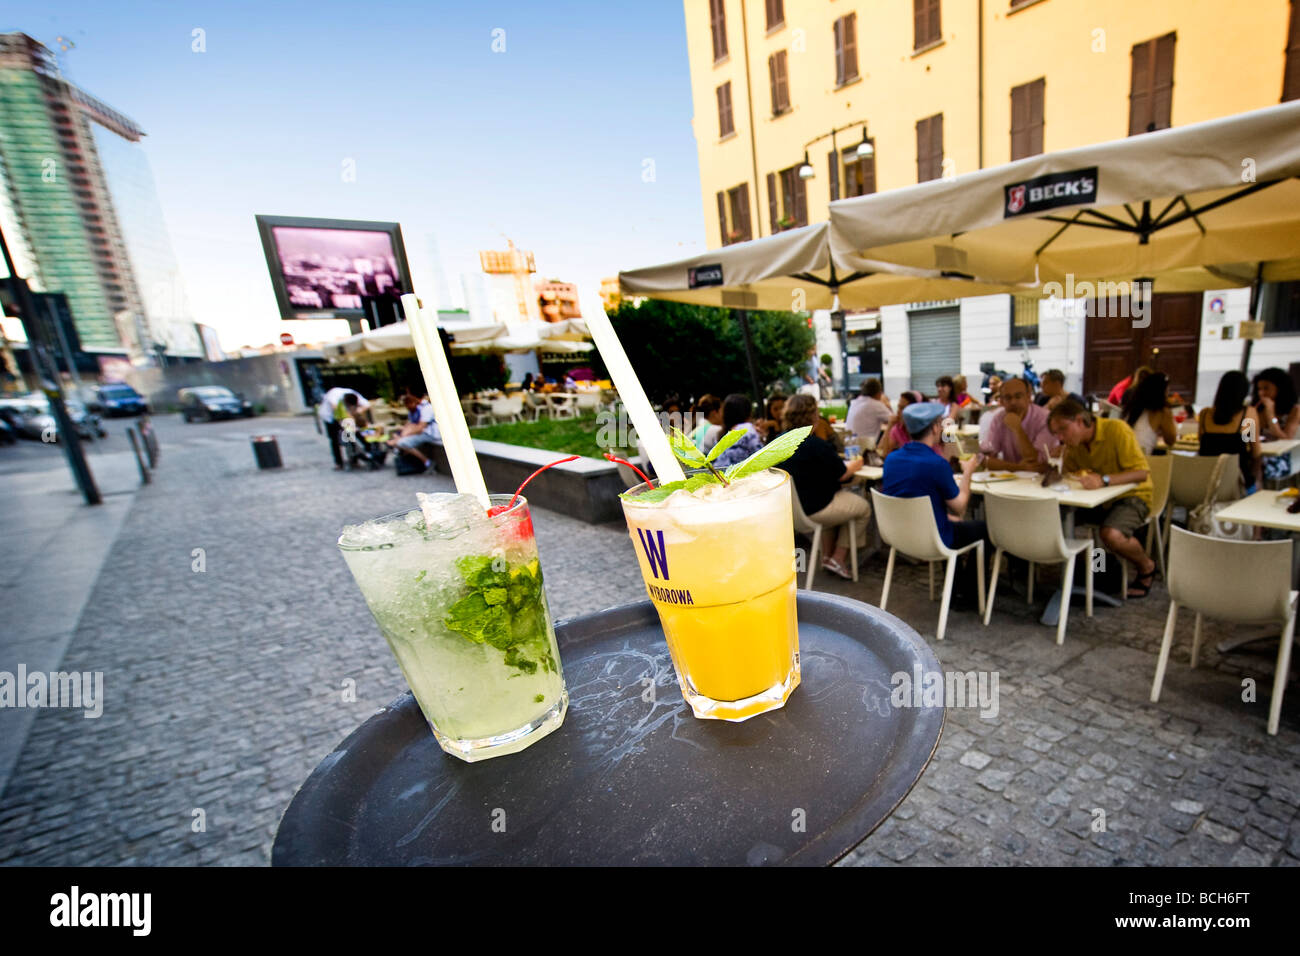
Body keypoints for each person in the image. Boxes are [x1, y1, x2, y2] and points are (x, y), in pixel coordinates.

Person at [1047, 399, 1156, 598]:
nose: (1061, 437)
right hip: (1096, 500)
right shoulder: (1074, 445)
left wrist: (1104, 480)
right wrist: (1055, 466)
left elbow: (1142, 473)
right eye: (1057, 434)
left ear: (1080, 421)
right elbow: (1069, 475)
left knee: (1110, 534)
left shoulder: (1116, 430)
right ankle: (1096, 570)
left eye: (1063, 429)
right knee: (1052, 522)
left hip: (1132, 496)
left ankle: (1146, 566)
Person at [880, 401, 986, 600]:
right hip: (932, 538)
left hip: (899, 536)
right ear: (936, 427)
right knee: (983, 529)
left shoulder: (892, 459)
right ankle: (969, 593)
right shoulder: (937, 463)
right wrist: (969, 471)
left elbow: (907, 498)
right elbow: (961, 506)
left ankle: (956, 589)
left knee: (951, 524)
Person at [777, 394, 869, 580]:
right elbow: (842, 473)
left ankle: (827, 557)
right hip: (816, 509)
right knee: (863, 508)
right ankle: (838, 557)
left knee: (835, 502)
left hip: (789, 511)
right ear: (812, 417)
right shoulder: (816, 445)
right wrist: (857, 465)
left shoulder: (776, 443)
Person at [1198, 370, 1261, 492]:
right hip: (1236, 485)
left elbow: (1202, 442)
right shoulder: (1248, 414)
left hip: (1206, 483)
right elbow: (1255, 451)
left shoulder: (1205, 414)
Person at [979, 376, 1059, 472]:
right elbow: (985, 459)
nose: (1013, 402)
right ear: (1002, 401)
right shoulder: (999, 418)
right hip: (1011, 479)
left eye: (1018, 396)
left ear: (1028, 397)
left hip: (1042, 479)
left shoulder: (1045, 419)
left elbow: (1036, 461)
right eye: (1008, 398)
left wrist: (1017, 429)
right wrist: (1018, 467)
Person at [1122, 371, 1178, 455]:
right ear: (1163, 392)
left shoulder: (1132, 407)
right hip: (1139, 461)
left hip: (1121, 458)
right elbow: (1171, 440)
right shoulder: (1162, 411)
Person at [318, 386, 370, 470]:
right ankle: (338, 463)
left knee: (351, 435)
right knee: (334, 439)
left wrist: (357, 412)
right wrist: (345, 421)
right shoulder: (334, 396)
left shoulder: (354, 395)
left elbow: (367, 404)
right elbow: (336, 410)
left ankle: (354, 459)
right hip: (329, 416)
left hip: (344, 415)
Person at [391, 388, 441, 474]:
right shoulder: (417, 408)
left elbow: (420, 428)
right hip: (422, 432)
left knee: (402, 443)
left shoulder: (427, 408)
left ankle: (428, 463)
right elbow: (411, 423)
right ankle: (414, 464)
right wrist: (400, 434)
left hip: (430, 434)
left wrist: (403, 436)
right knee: (397, 439)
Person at [712, 393, 766, 468]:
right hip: (741, 477)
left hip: (720, 476)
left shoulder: (721, 434)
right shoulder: (747, 429)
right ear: (748, 412)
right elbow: (763, 459)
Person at [1252, 367, 1300, 441]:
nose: (1261, 393)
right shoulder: (1259, 408)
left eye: (1266, 388)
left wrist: (1271, 415)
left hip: (1282, 451)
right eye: (1259, 389)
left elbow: (1286, 438)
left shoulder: (1295, 410)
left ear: (1280, 388)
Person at [846, 378, 893, 446]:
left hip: (850, 446)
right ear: (879, 393)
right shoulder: (875, 405)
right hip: (865, 449)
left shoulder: (855, 402)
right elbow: (894, 420)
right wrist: (887, 404)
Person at [877, 391, 922, 458]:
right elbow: (885, 454)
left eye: (902, 408)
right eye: (899, 407)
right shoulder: (898, 429)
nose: (898, 411)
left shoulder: (924, 429)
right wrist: (890, 426)